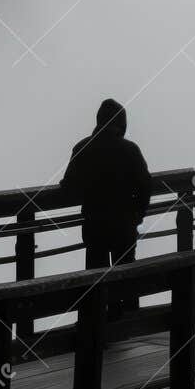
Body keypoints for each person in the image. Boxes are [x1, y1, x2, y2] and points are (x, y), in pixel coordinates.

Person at [60, 98, 153, 268]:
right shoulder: (130, 150)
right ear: (122, 124)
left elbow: (68, 188)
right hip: (124, 227)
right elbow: (146, 185)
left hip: (95, 227)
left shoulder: (82, 148)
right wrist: (137, 216)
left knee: (96, 282)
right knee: (126, 279)